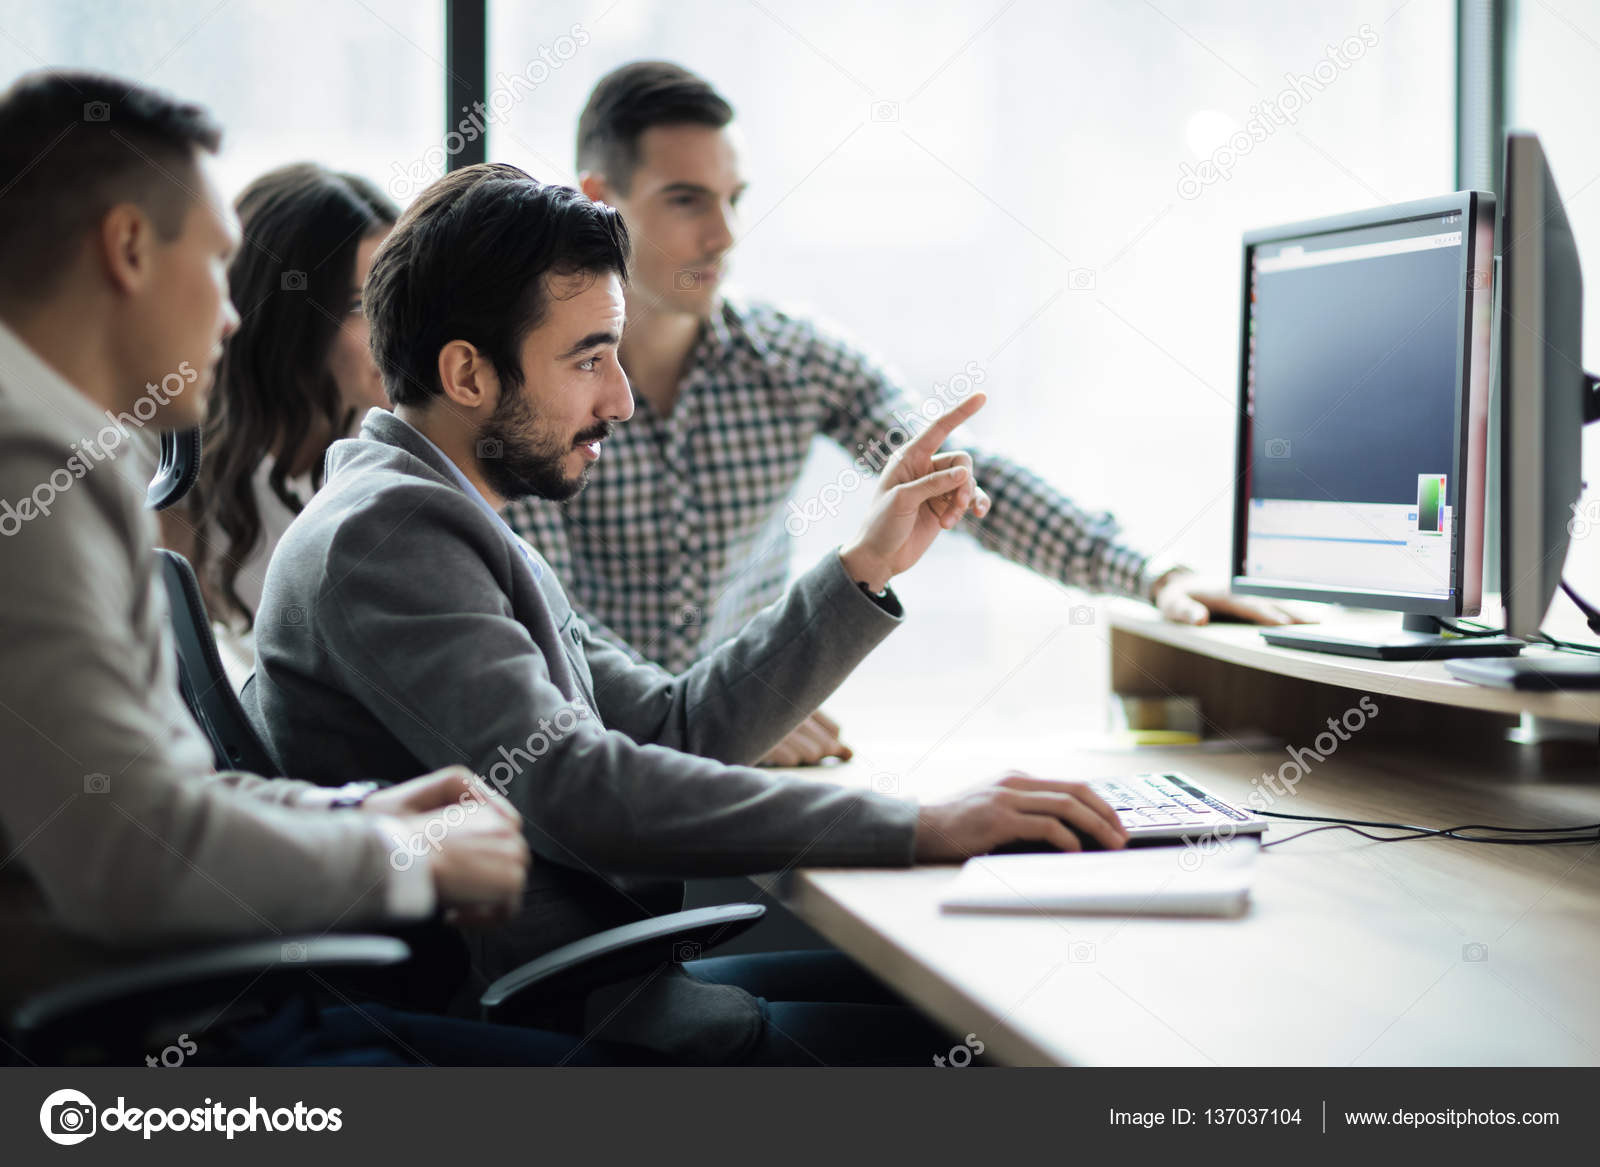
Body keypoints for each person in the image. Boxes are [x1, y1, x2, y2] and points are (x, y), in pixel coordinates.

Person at [246, 161, 1132, 1066]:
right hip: (550, 1020)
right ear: (468, 373)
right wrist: (921, 826)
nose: (621, 401)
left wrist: (862, 567)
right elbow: (576, 791)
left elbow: (678, 723)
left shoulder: (445, 515)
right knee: (999, 1056)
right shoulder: (389, 538)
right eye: (589, 359)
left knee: (958, 1010)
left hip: (598, 987)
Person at [0, 69, 650, 1068]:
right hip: (152, 1055)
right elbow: (127, 858)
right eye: (217, 265)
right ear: (127, 247)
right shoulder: (30, 470)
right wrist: (400, 853)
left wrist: (354, 811)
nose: (229, 317)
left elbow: (144, 800)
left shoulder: (68, 463)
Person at [503, 61, 1299, 766]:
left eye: (734, 199)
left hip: (741, 772)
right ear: (598, 201)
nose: (725, 234)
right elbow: (552, 633)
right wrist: (727, 717)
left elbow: (953, 477)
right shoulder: (535, 392)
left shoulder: (790, 358)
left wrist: (1151, 573)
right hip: (601, 780)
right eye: (687, 201)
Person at [159, 163, 398, 685]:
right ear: (288, 320)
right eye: (360, 305)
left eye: (398, 293)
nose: (395, 329)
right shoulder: (180, 473)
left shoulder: (404, 447)